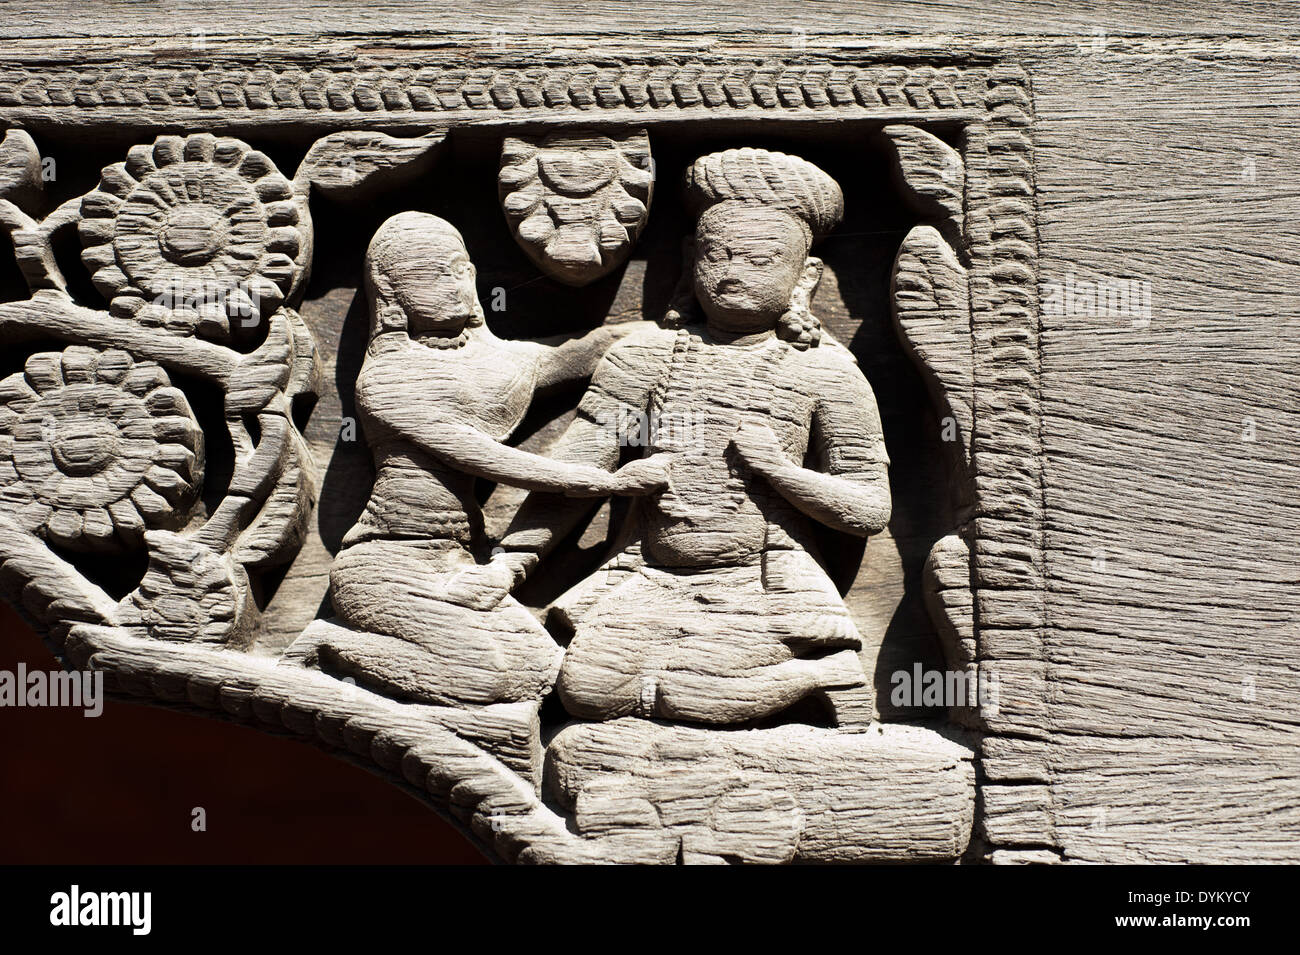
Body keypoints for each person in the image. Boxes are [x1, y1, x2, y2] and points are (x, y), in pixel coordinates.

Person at [496, 149, 893, 725]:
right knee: (588, 693)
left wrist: (780, 471)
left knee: (692, 695)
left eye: (761, 259)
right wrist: (512, 563)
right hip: (648, 571)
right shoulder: (645, 357)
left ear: (805, 275)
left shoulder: (824, 371)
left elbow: (868, 506)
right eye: (718, 254)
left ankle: (820, 672)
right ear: (690, 259)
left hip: (760, 581)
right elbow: (572, 472)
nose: (733, 273)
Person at [317, 212, 666, 707]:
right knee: (485, 680)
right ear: (390, 293)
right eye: (431, 274)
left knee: (542, 674)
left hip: (458, 559)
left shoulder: (488, 358)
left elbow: (582, 352)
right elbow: (490, 459)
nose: (454, 285)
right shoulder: (387, 380)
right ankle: (328, 648)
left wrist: (681, 327)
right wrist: (610, 482)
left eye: (460, 269)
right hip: (389, 562)